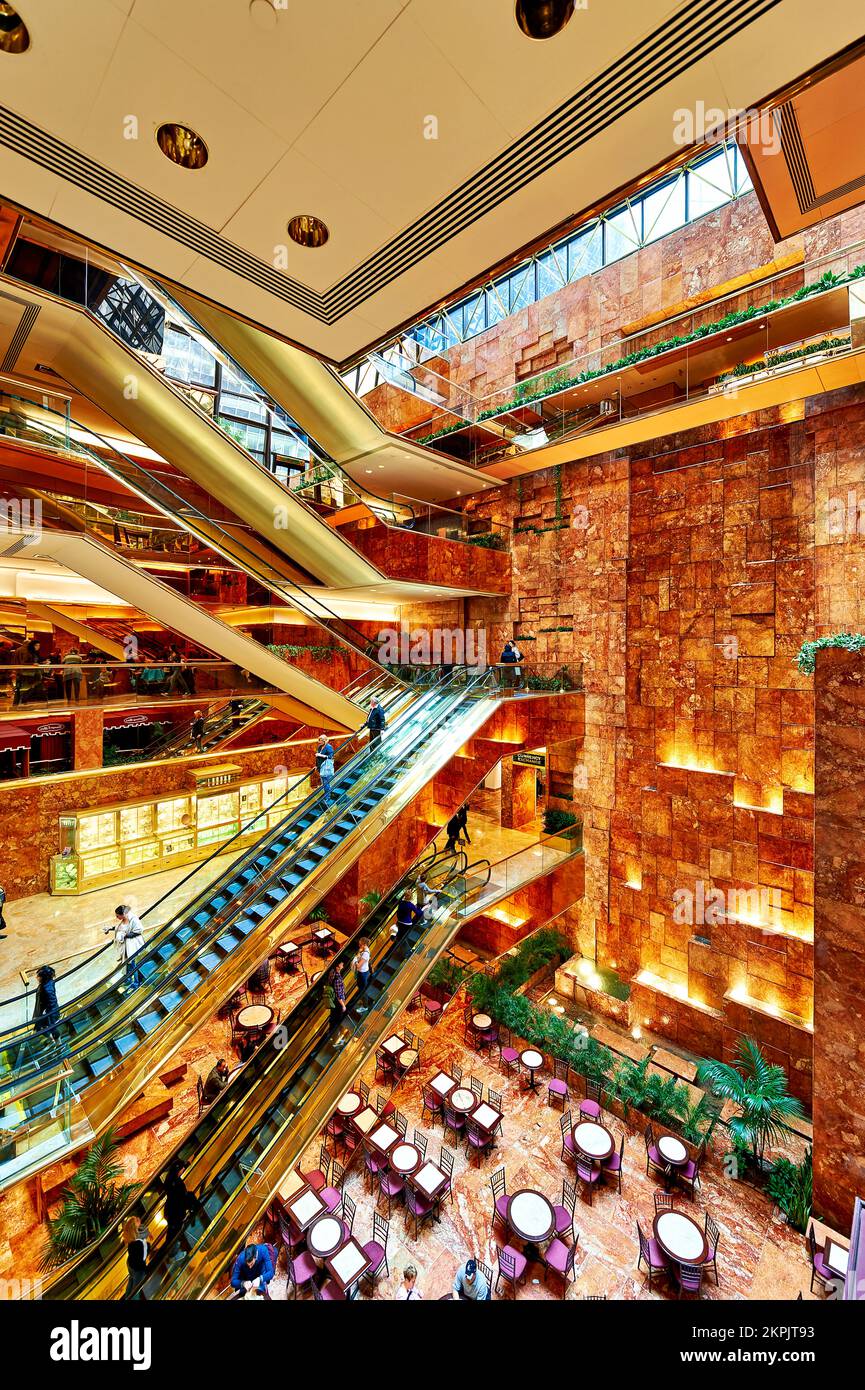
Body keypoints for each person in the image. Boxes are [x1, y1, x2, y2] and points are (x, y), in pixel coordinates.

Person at [106, 905, 145, 991]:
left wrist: (125, 935)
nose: (116, 917)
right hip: (126, 946)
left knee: (132, 963)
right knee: (127, 963)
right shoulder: (124, 919)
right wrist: (110, 928)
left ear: (123, 914)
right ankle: (128, 979)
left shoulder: (133, 919)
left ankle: (136, 982)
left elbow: (139, 931)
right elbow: (120, 928)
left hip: (132, 946)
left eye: (117, 916)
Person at [162, 1159, 201, 1243]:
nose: (183, 1169)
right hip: (175, 1213)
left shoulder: (169, 1179)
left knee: (172, 1231)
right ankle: (169, 1250)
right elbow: (181, 1199)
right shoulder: (177, 1184)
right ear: (177, 1170)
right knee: (173, 1233)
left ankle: (169, 1246)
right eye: (182, 1168)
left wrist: (188, 1163)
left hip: (170, 1210)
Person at [121, 1217, 149, 1301]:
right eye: (136, 1220)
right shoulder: (137, 1243)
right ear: (134, 1227)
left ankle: (127, 1298)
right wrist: (145, 1270)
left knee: (131, 1280)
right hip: (137, 1269)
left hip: (130, 1265)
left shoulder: (133, 1237)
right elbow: (140, 1260)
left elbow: (144, 1232)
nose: (138, 1218)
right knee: (136, 1291)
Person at [32, 963, 60, 1044]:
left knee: (47, 1028)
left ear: (43, 977)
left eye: (38, 976)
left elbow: (52, 1002)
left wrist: (46, 1014)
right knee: (46, 1028)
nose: (36, 977)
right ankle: (55, 1040)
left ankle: (56, 1042)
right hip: (46, 1012)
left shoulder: (47, 989)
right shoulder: (48, 983)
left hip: (48, 1014)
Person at [324, 961, 347, 1035]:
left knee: (333, 1014)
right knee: (337, 1018)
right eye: (341, 964)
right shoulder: (337, 979)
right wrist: (343, 1005)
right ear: (337, 967)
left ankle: (331, 1030)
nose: (343, 965)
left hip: (333, 999)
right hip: (338, 1002)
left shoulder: (332, 972)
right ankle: (334, 1033)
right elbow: (338, 995)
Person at [352, 937, 371, 1014]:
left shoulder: (366, 954)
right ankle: (363, 1000)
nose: (359, 946)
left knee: (363, 990)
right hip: (362, 973)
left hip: (363, 973)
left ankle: (365, 1006)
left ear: (365, 944)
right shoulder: (364, 950)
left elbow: (358, 966)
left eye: (360, 944)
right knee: (360, 987)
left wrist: (356, 960)